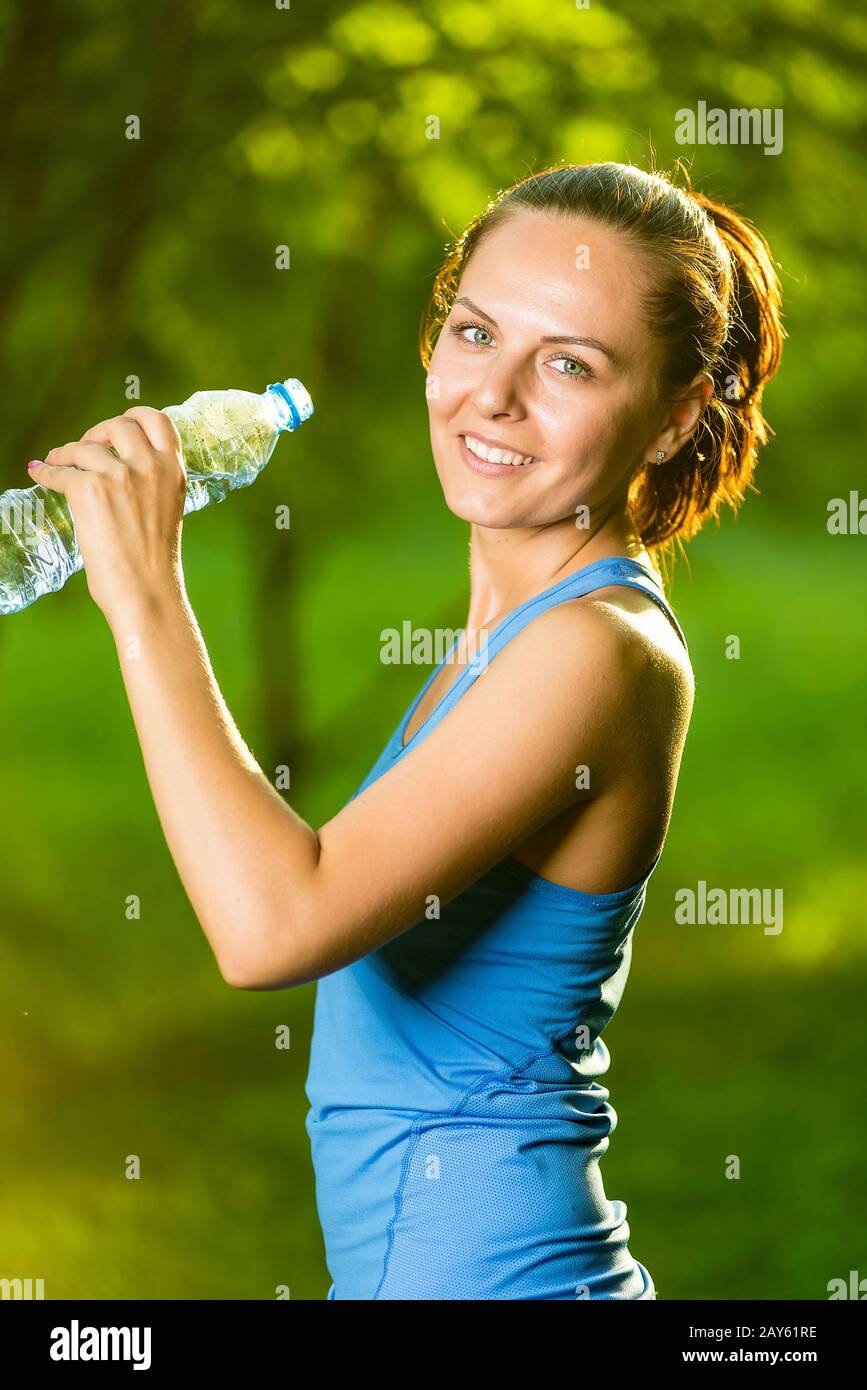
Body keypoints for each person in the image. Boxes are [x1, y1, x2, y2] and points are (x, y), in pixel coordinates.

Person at [28, 160, 784, 1300]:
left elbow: (275, 925)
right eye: (477, 333)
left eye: (569, 364)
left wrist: (143, 590)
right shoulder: (519, 630)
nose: (494, 396)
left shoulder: (598, 652)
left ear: (677, 419)